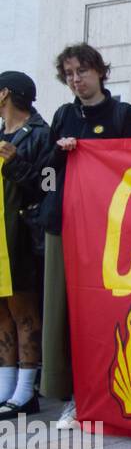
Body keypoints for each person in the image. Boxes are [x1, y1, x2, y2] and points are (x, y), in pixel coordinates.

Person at [39, 44, 131, 429]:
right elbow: (46, 176)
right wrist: (60, 152)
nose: (76, 79)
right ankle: (72, 397)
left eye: (82, 70)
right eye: (68, 73)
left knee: (107, 311)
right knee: (64, 312)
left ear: (101, 72)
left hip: (110, 229)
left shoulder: (123, 114)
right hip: (64, 223)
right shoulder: (63, 115)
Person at [0, 72, 48, 420]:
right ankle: (6, 385)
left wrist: (16, 161)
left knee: (24, 311)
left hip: (21, 235)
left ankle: (27, 390)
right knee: (1, 312)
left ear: (5, 94)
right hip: (0, 235)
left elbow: (50, 183)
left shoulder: (41, 133)